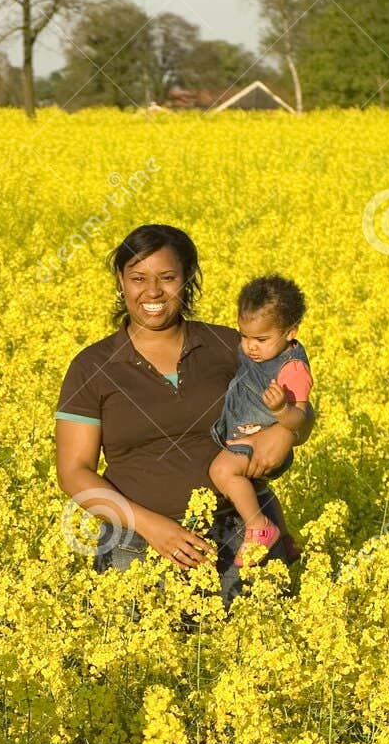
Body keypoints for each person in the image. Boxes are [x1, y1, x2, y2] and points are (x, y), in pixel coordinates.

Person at [54, 223, 315, 603]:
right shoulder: (92, 366)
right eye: (138, 278)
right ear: (120, 282)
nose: (153, 291)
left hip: (239, 534)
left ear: (188, 278)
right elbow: (74, 472)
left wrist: (285, 433)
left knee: (255, 636)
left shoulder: (231, 347)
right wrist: (152, 527)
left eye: (167, 277)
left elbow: (298, 409)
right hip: (136, 545)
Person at [208, 275, 313, 565]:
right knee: (260, 490)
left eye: (261, 340)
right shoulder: (259, 354)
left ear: (291, 332)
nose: (250, 347)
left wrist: (281, 411)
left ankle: (258, 527)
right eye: (244, 336)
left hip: (263, 442)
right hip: (247, 433)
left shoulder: (292, 369)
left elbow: (300, 417)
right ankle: (285, 539)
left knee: (222, 471)